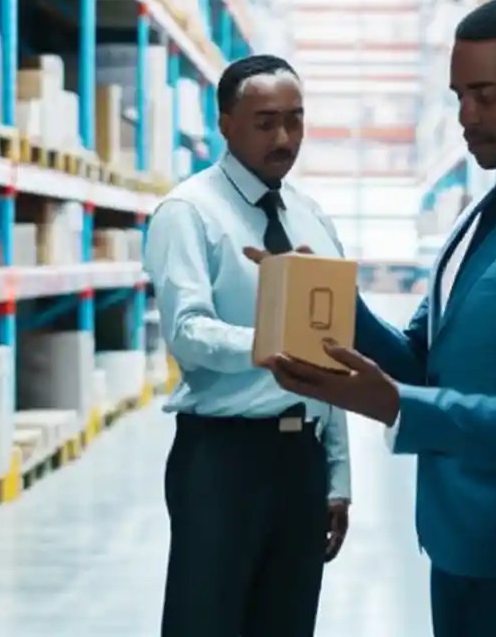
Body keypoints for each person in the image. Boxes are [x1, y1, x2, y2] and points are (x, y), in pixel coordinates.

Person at [257, 0, 496, 635]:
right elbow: (423, 357)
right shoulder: (485, 208)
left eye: (485, 95)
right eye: (458, 95)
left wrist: (396, 407)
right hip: (457, 539)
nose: (465, 117)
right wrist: (326, 291)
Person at [143, 54, 352, 637]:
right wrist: (266, 344)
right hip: (223, 460)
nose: (284, 137)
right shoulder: (188, 213)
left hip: (302, 460)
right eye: (265, 122)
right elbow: (187, 330)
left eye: (295, 120)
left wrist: (336, 479)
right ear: (226, 123)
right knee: (205, 621)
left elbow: (328, 354)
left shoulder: (313, 220)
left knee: (287, 623)